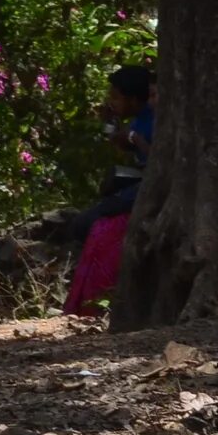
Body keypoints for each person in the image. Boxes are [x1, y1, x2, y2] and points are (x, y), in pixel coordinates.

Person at [63, 64, 153, 314]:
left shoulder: (153, 118)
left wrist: (136, 139)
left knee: (86, 223)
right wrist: (110, 125)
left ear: (134, 99)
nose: (110, 101)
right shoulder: (137, 119)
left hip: (149, 186)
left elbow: (157, 159)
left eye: (115, 96)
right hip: (137, 183)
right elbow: (121, 143)